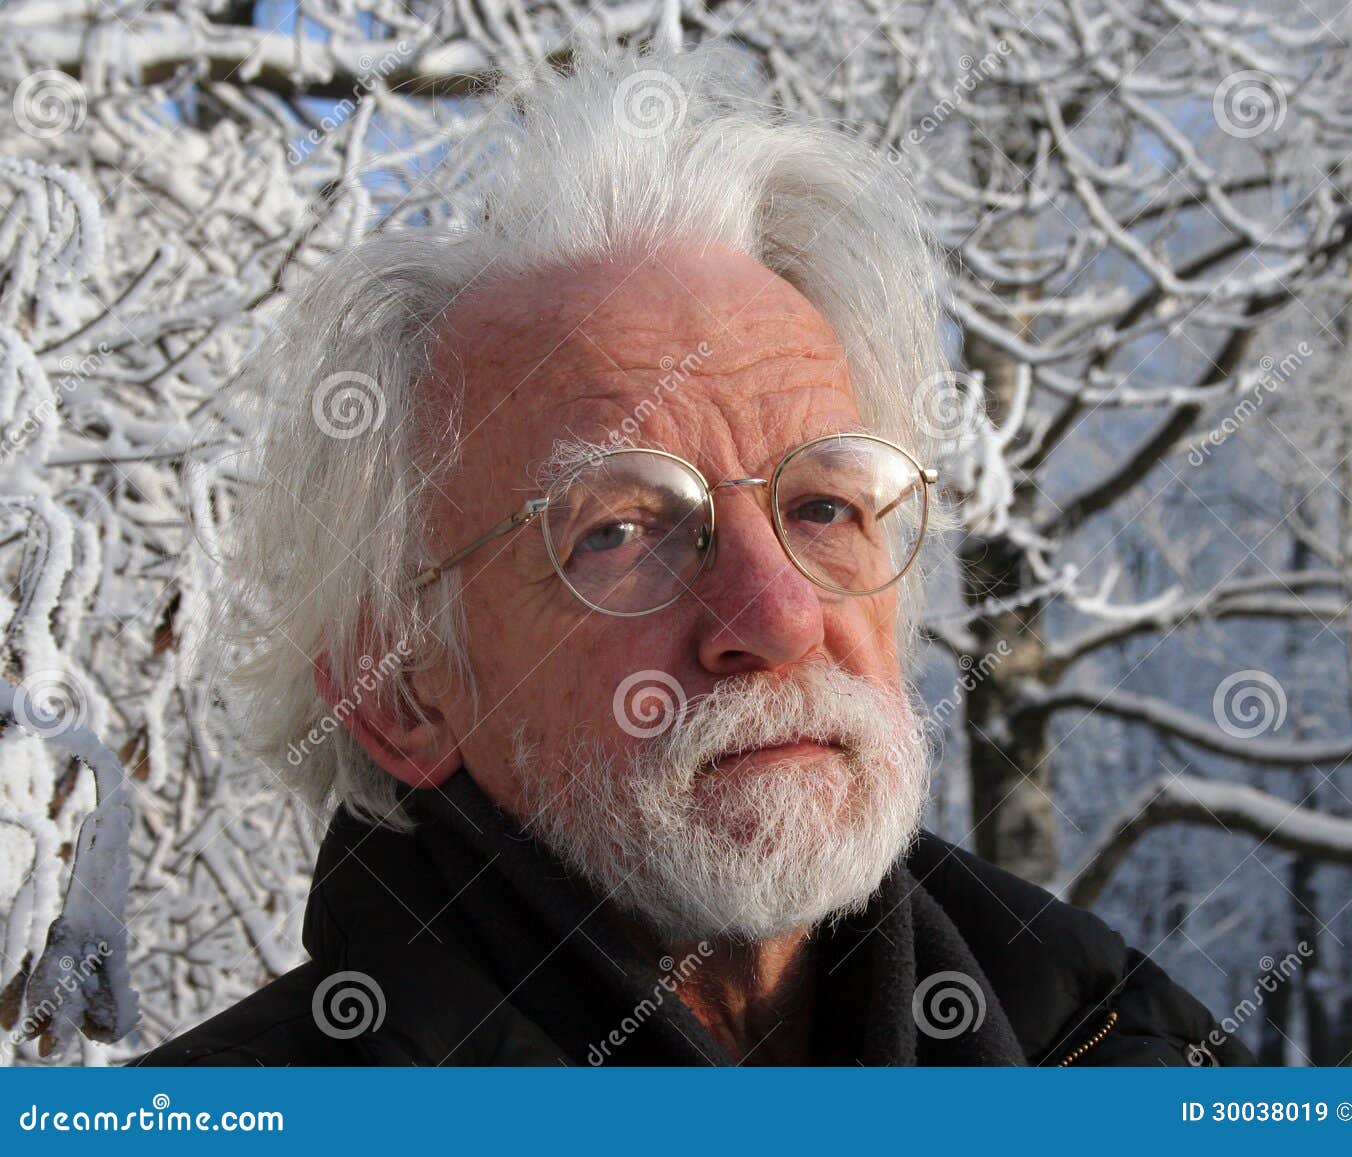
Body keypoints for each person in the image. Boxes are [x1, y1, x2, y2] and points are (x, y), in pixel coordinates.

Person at [133, 46, 1251, 1068]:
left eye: (822, 506)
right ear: (404, 692)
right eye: (617, 531)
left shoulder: (1122, 1052)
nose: (776, 615)